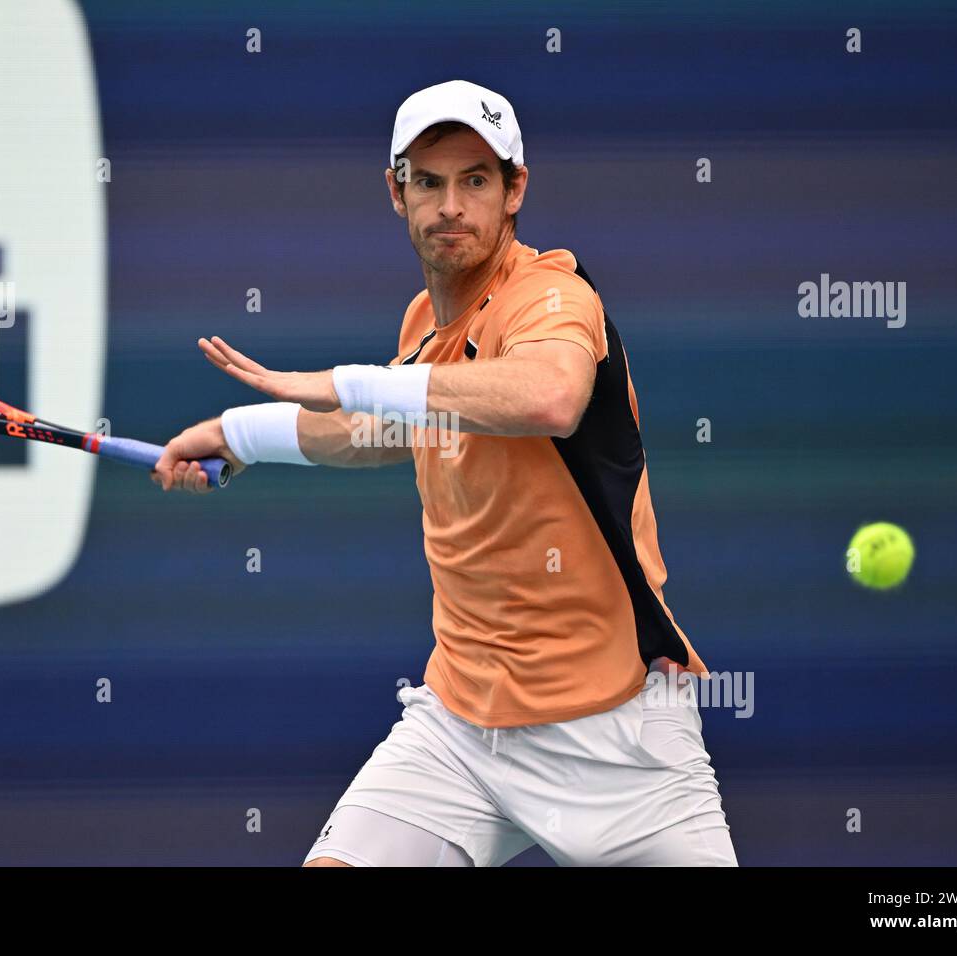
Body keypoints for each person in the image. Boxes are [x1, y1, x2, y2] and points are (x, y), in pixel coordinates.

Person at [152, 79, 737, 867]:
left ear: (514, 189)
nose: (451, 206)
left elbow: (551, 396)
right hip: (461, 729)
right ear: (397, 194)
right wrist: (238, 435)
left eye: (475, 180)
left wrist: (354, 378)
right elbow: (383, 425)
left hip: (619, 738)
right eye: (428, 182)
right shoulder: (425, 323)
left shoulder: (554, 299)